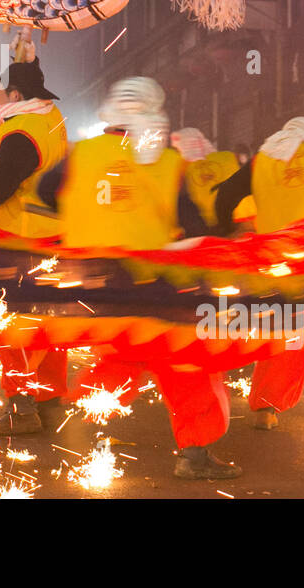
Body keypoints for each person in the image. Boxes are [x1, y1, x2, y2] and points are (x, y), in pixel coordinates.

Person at [30, 78, 228, 478]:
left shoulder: (82, 153)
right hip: (152, 284)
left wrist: (84, 214)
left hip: (93, 285)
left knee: (124, 355)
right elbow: (194, 226)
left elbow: (45, 190)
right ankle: (196, 454)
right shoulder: (165, 160)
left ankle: (79, 414)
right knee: (185, 362)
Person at [213, 116, 304, 431]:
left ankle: (267, 407)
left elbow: (225, 195)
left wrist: (230, 231)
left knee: (286, 334)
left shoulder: (263, 161)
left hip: (281, 263)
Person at [0, 52, 69, 437]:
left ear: (13, 93)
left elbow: (2, 182)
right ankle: (47, 403)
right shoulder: (50, 117)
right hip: (52, 236)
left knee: (11, 326)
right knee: (45, 323)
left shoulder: (20, 130)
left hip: (20, 239)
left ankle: (21, 408)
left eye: (0, 91)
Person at [173, 127, 244, 236]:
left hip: (207, 226)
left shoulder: (185, 165)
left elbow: (175, 195)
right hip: (239, 220)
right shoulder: (228, 156)